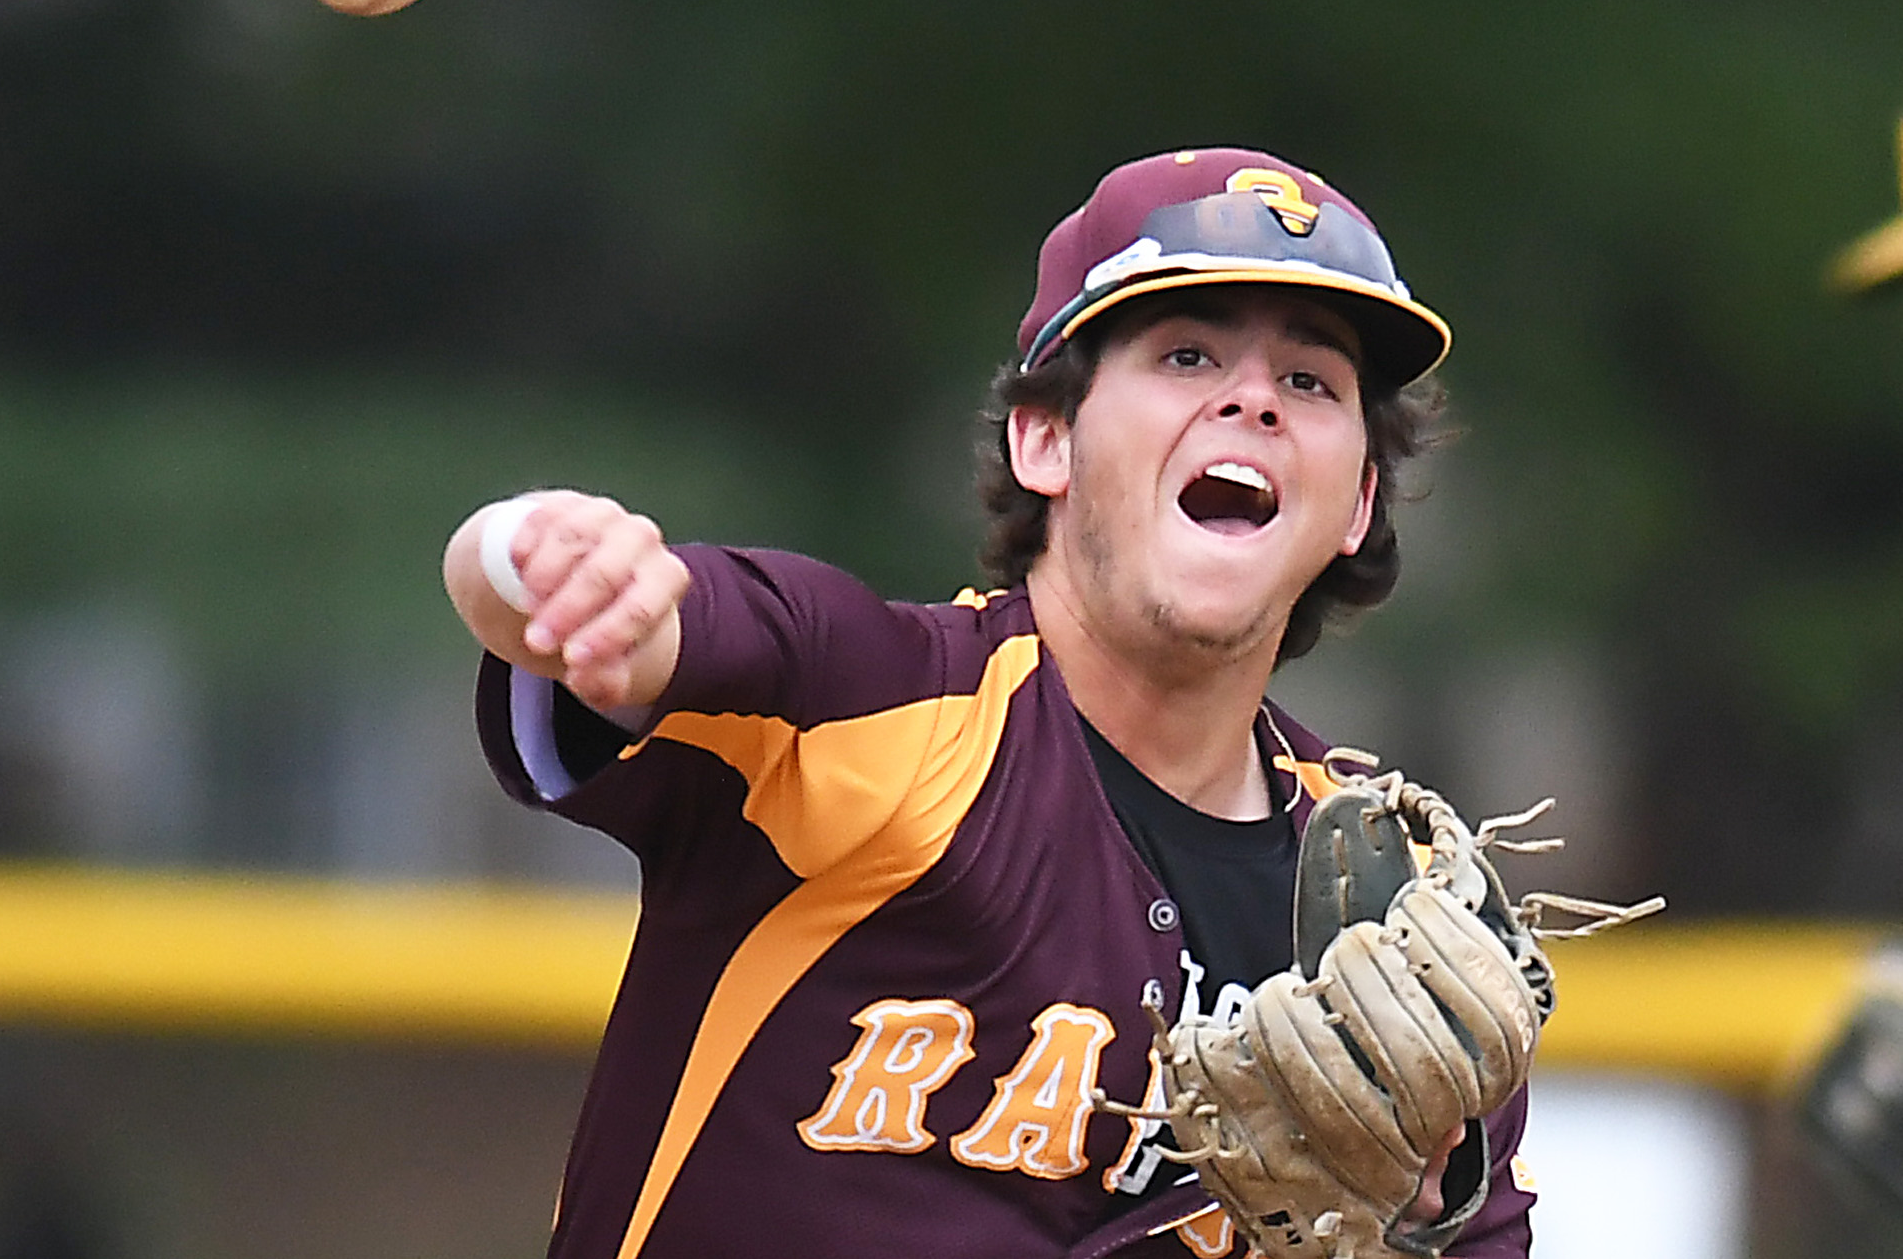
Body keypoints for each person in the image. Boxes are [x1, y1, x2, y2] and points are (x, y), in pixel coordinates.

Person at [441, 147, 1534, 1258]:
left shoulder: (1382, 911)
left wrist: (1417, 1225)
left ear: (1355, 501)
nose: (1251, 399)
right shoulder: (865, 697)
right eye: (1187, 353)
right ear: (1044, 438)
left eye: (1310, 381)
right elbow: (617, 624)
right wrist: (534, 555)